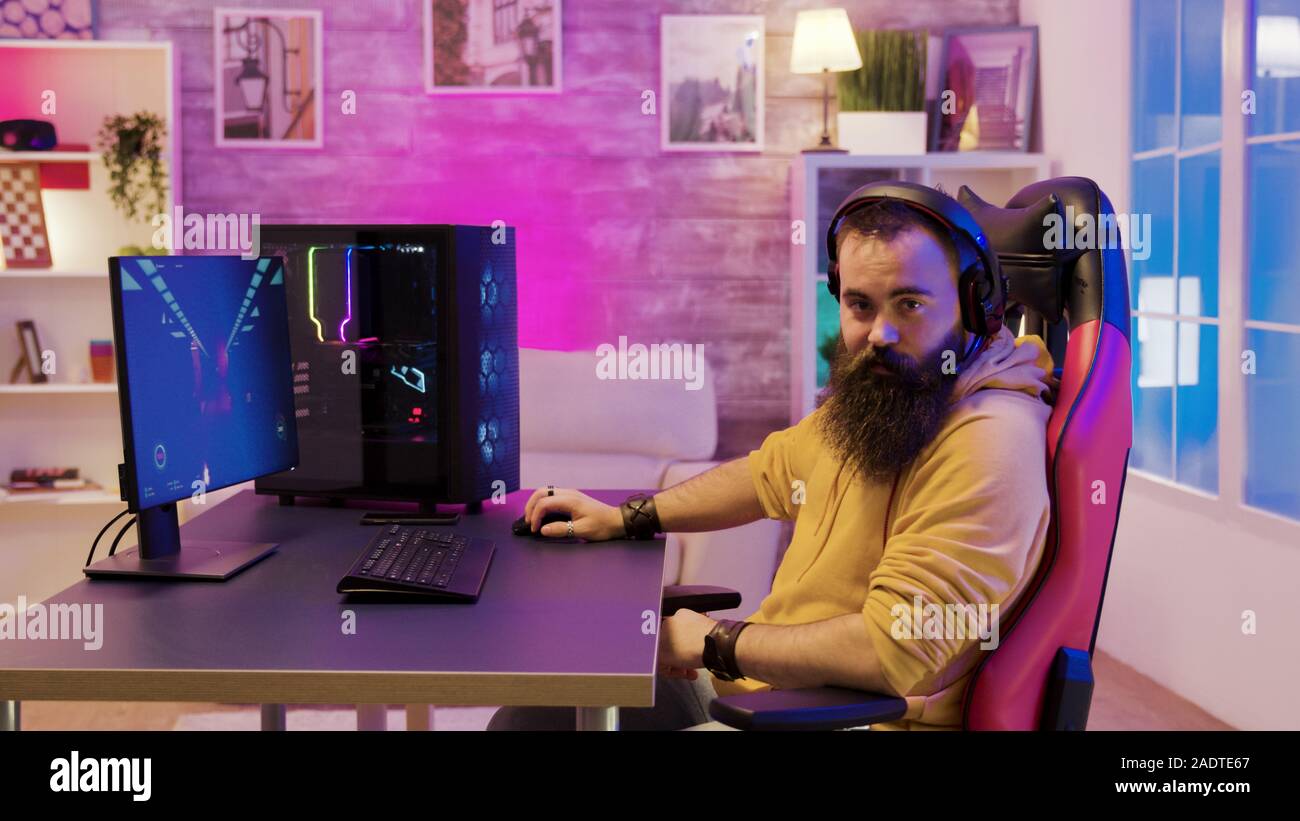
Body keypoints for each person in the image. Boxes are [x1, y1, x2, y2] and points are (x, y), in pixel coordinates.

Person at [488, 190, 1055, 731]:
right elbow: (767, 474)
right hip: (770, 690)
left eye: (910, 303)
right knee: (528, 719)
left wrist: (714, 642)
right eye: (860, 304)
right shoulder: (888, 395)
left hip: (856, 718)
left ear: (978, 310)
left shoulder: (989, 441)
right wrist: (627, 517)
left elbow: (895, 650)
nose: (879, 333)